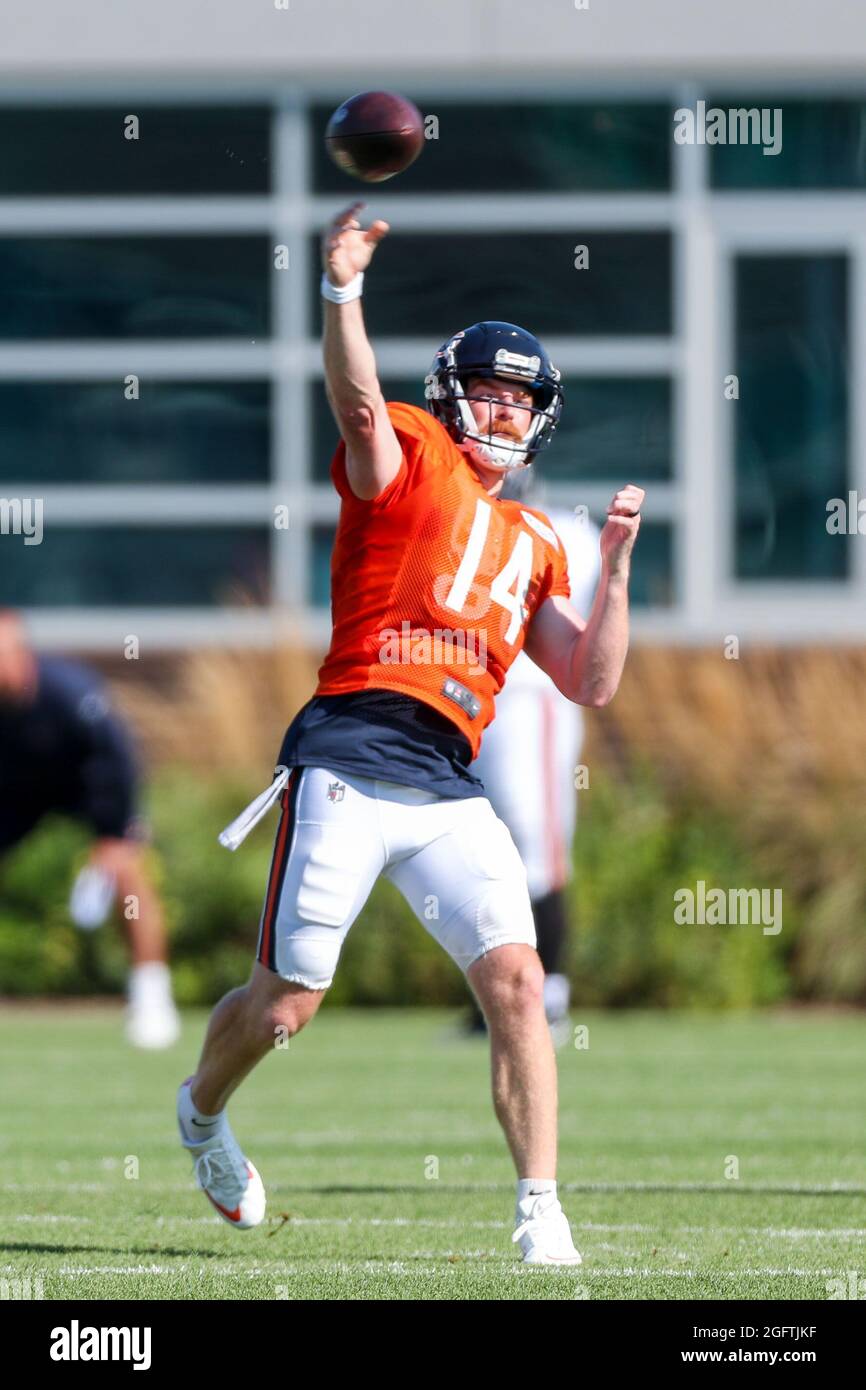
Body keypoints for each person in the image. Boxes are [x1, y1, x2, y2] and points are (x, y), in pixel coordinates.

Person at [177, 200, 644, 1265]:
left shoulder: (536, 538)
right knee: (287, 1001)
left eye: (520, 399)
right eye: (486, 388)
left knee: (518, 982)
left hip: (443, 780)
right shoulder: (415, 452)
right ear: (450, 393)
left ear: (541, 420)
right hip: (345, 751)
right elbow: (352, 403)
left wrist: (613, 569)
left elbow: (589, 679)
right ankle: (201, 1111)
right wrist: (341, 289)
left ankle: (539, 1211)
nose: (502, 410)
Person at [0, 610, 180, 1048]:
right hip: (17, 791)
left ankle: (151, 998)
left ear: (20, 653)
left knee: (127, 873)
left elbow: (118, 759)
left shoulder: (72, 693)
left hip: (90, 787)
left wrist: (115, 838)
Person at [469, 476, 601, 1045]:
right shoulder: (467, 516)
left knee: (537, 841)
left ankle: (552, 991)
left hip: (532, 695)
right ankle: (497, 996)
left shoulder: (564, 530)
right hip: (479, 694)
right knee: (484, 844)